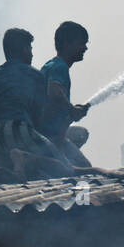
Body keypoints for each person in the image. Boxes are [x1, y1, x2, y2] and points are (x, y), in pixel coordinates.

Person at [0, 27, 73, 180]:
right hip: (18, 131)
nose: (31, 53)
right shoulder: (33, 74)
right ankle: (24, 158)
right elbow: (40, 118)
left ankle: (4, 163)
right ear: (24, 50)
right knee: (64, 169)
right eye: (30, 48)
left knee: (18, 150)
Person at [39, 21, 93, 167]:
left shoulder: (51, 65)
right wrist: (72, 110)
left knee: (82, 133)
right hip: (51, 137)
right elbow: (54, 92)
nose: (85, 48)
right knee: (85, 167)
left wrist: (71, 112)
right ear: (66, 44)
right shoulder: (60, 67)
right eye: (81, 43)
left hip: (47, 134)